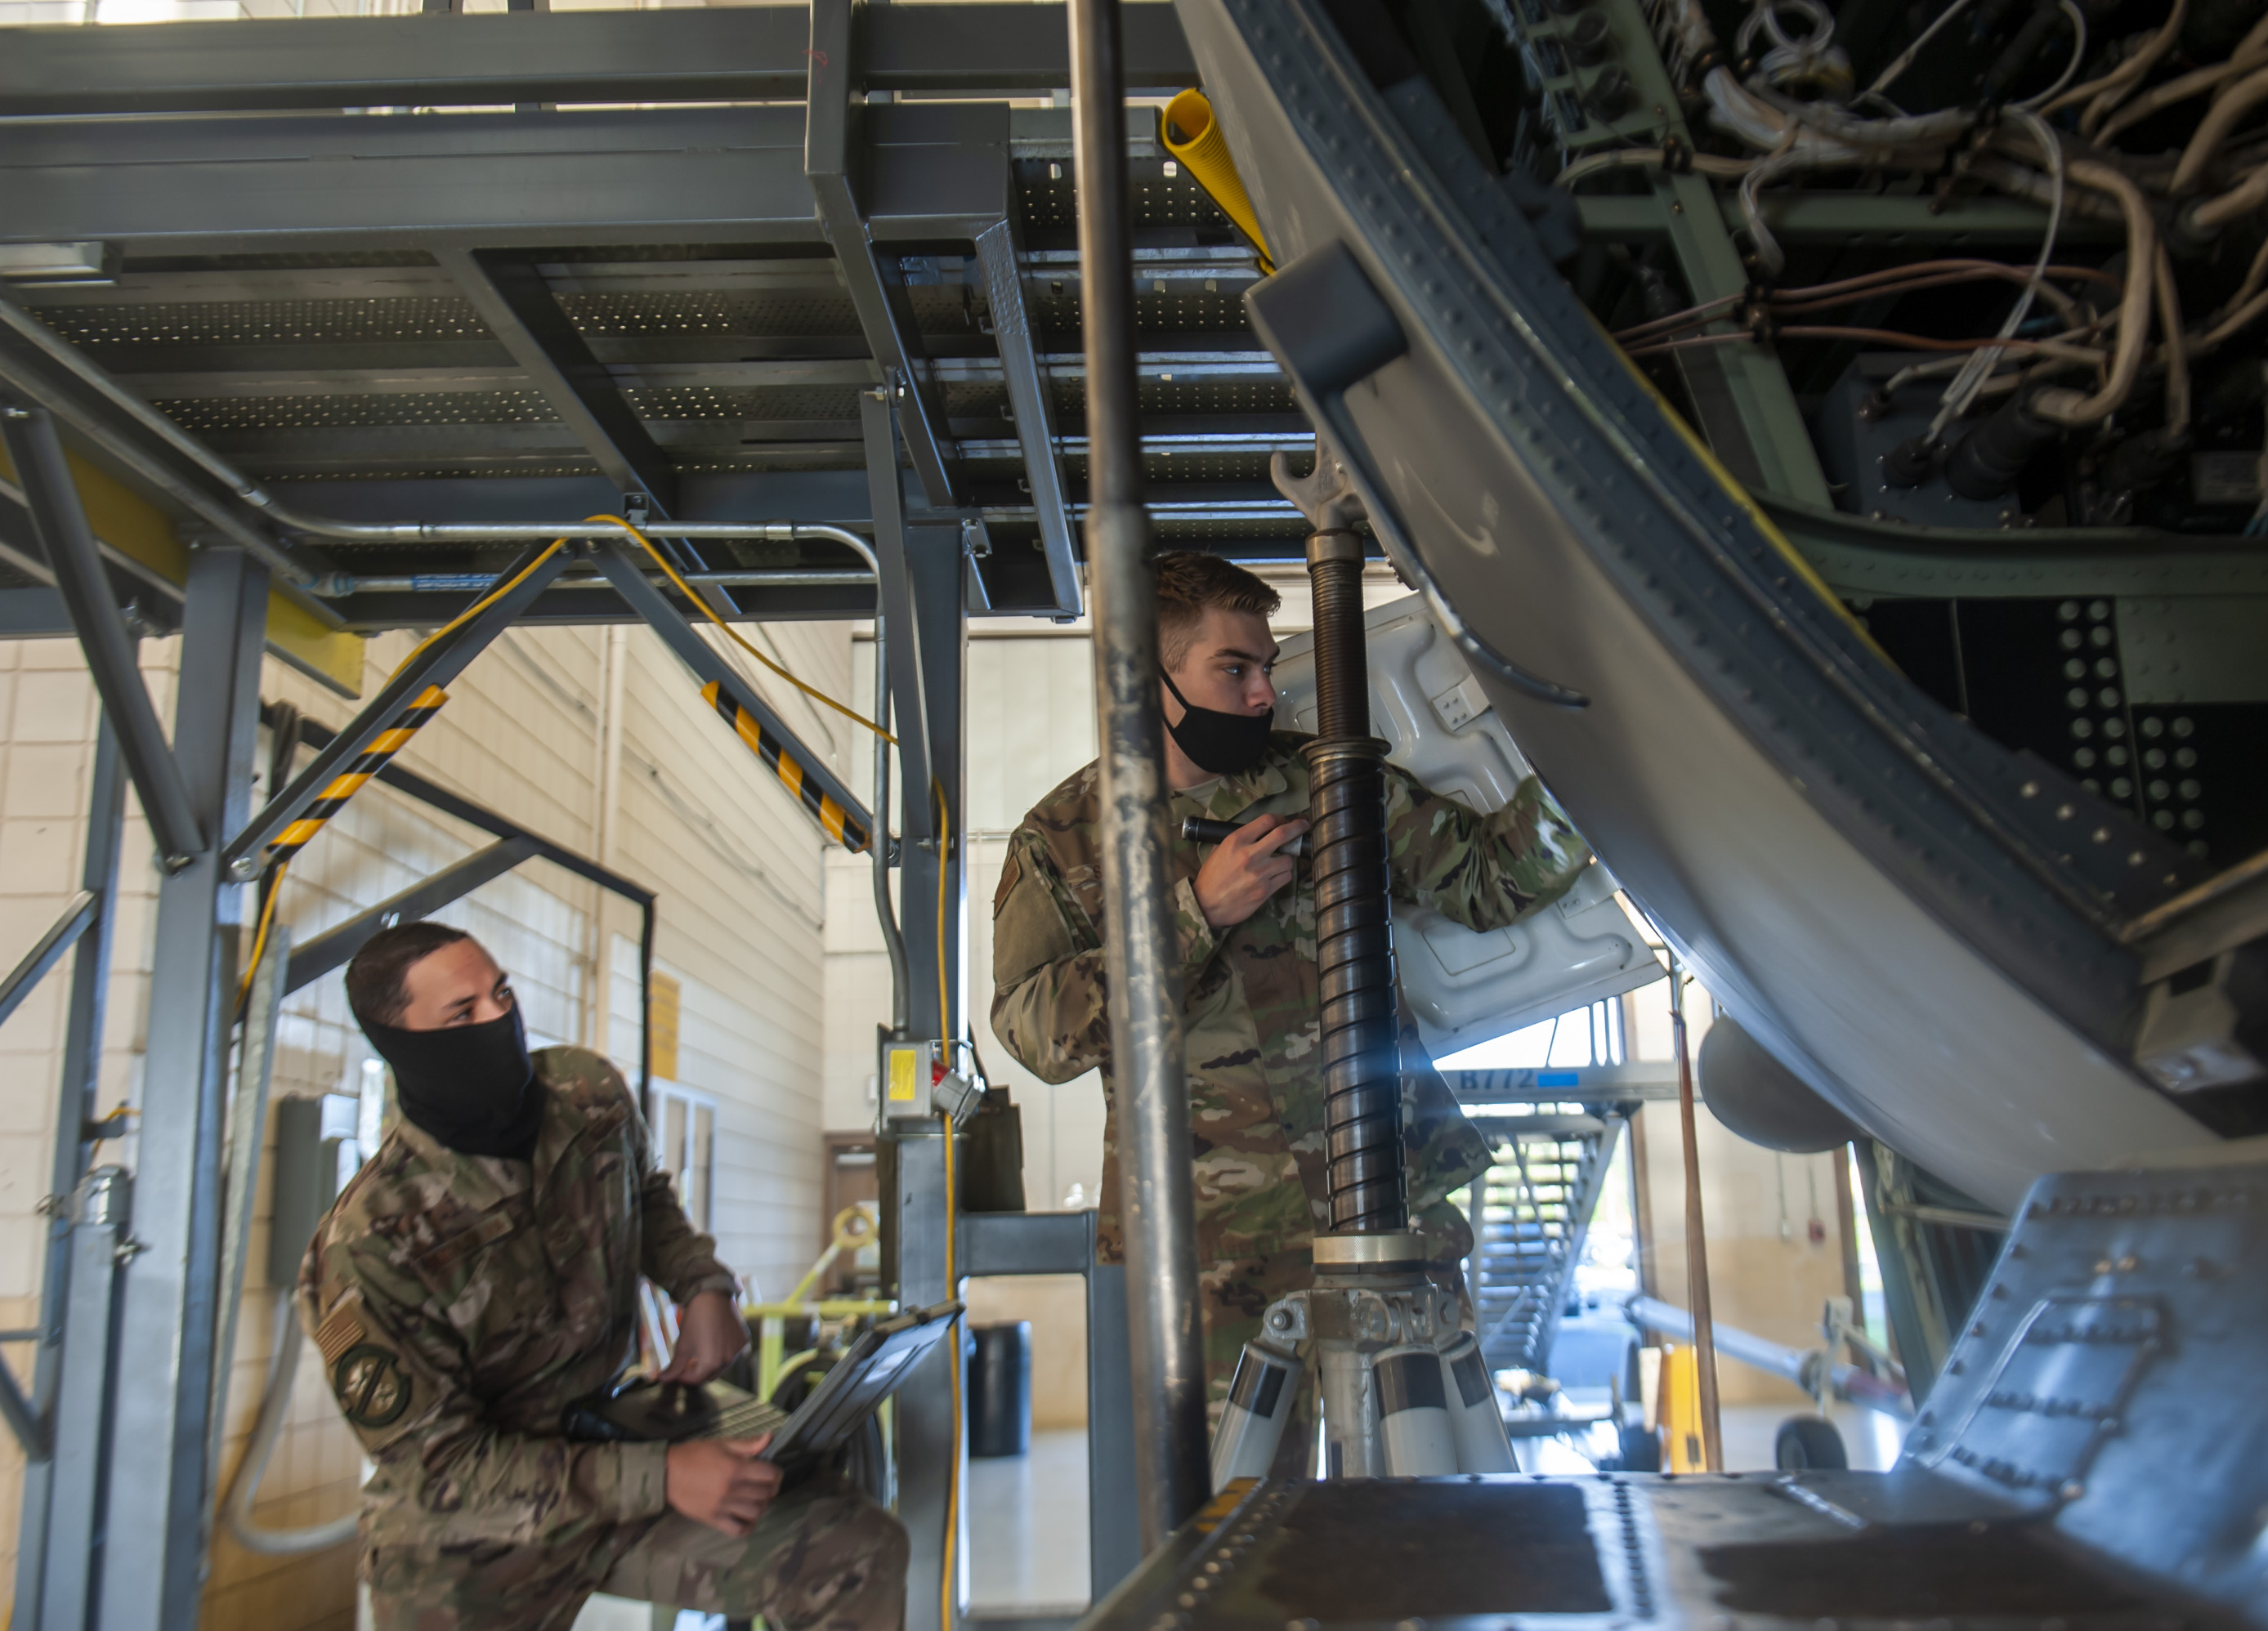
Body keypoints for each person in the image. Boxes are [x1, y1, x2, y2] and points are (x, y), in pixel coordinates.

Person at [990, 552, 1594, 1414]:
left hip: (1387, 1206)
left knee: (1427, 1504)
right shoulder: (1064, 842)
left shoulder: (1324, 783)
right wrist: (1195, 911)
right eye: (1233, 669)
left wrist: (1595, 768)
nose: (1265, 694)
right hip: (1213, 1252)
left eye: (1266, 669)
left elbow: (1488, 879)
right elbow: (1033, 1034)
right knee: (1245, 1521)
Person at [301, 922, 906, 1631]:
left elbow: (643, 1193)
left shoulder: (583, 1093)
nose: (499, 1021)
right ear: (401, 1044)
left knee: (853, 1550)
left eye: (502, 994)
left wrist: (701, 1284)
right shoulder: (369, 1246)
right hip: (472, 1537)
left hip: (612, 1440)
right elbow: (442, 1470)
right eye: (463, 1014)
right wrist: (666, 1476)